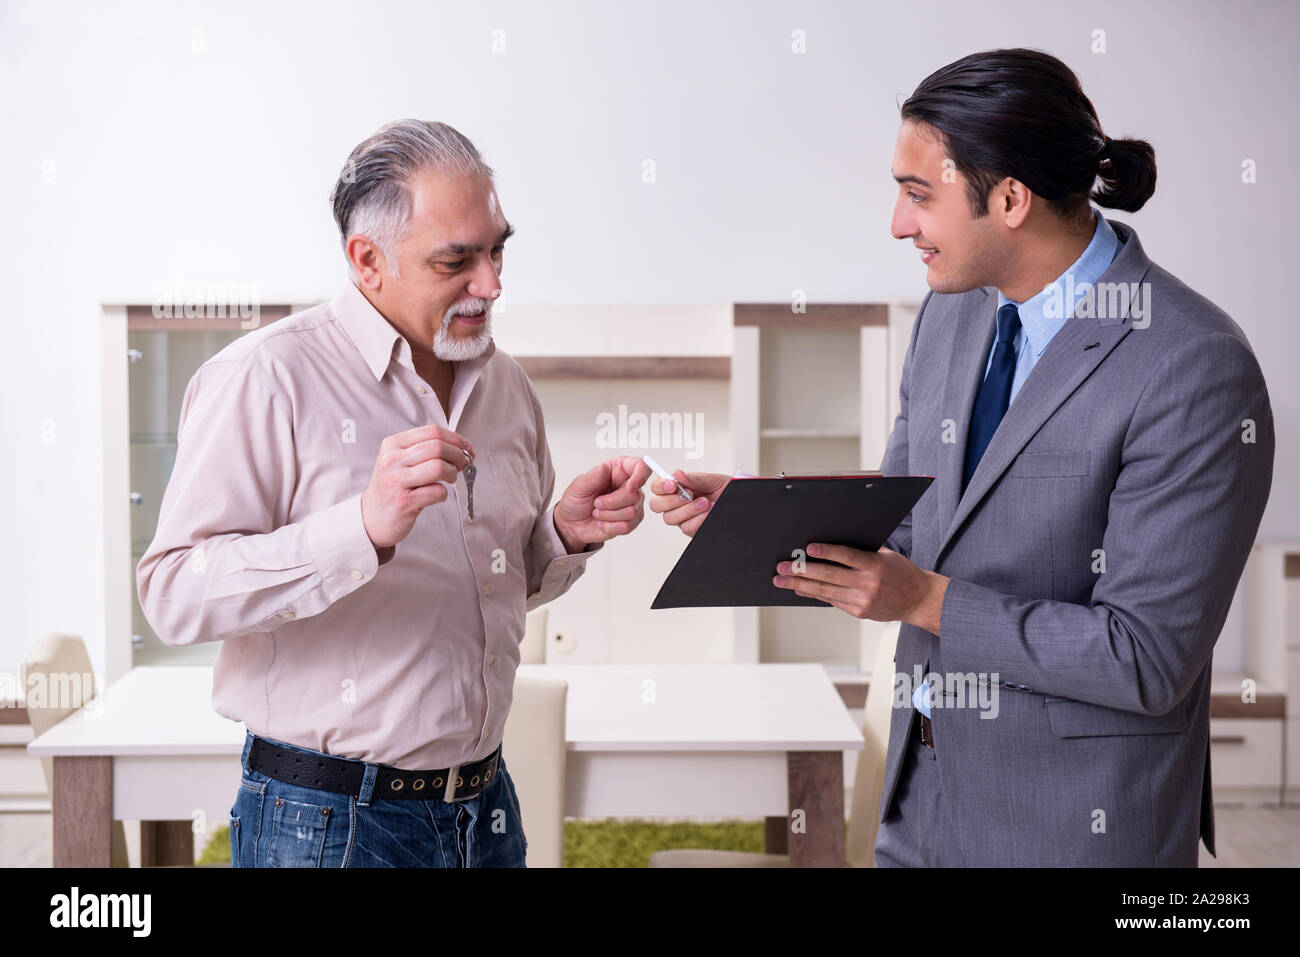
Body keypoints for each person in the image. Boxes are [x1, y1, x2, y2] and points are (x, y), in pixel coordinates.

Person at [650, 49, 1274, 866]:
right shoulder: (950, 317)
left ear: (1010, 198)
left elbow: (1146, 657)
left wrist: (928, 600)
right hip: (922, 807)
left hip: (1073, 826)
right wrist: (764, 513)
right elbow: (908, 535)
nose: (898, 223)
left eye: (918, 194)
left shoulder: (1193, 365)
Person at [137, 119, 651, 867]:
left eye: (498, 247)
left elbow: (491, 589)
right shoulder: (265, 378)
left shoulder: (505, 384)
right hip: (326, 823)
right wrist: (362, 529)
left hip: (486, 809)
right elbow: (172, 592)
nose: (493, 283)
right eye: (457, 260)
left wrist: (562, 534)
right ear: (367, 260)